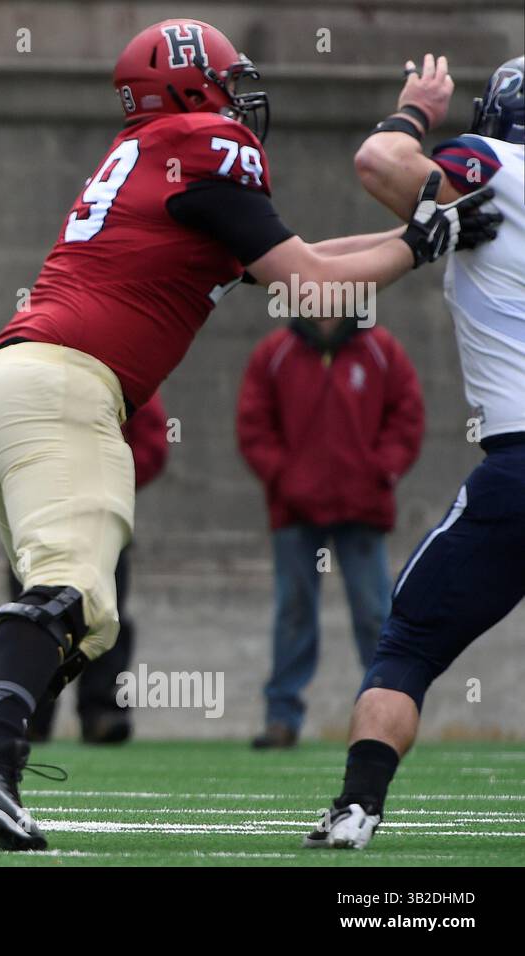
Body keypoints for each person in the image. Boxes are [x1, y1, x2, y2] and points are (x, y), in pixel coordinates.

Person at [0, 19, 497, 851]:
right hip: (68, 389)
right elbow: (319, 290)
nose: (240, 106)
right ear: (193, 90)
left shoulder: (159, 157)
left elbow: (303, 259)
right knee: (75, 591)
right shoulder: (208, 144)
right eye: (228, 86)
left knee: (73, 608)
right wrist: (415, 240)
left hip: (15, 384)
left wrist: (416, 244)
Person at [305, 54, 517, 850]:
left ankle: (358, 806)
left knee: (409, 644)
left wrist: (413, 112)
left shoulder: (492, 167)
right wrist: (286, 262)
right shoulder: (483, 206)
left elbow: (380, 164)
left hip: (519, 471)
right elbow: (407, 234)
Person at [238, 313, 424, 749]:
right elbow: (253, 424)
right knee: (293, 614)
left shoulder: (382, 350)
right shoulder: (274, 353)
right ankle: (281, 718)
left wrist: (381, 472)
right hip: (295, 513)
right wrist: (283, 477)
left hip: (362, 510)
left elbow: (407, 417)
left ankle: (384, 720)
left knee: (375, 614)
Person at [25, 393, 170, 745]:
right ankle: (27, 712)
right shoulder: (29, 364)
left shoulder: (122, 370)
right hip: (38, 513)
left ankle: (102, 712)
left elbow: (152, 444)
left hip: (102, 516)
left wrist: (108, 482)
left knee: (106, 612)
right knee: (31, 613)